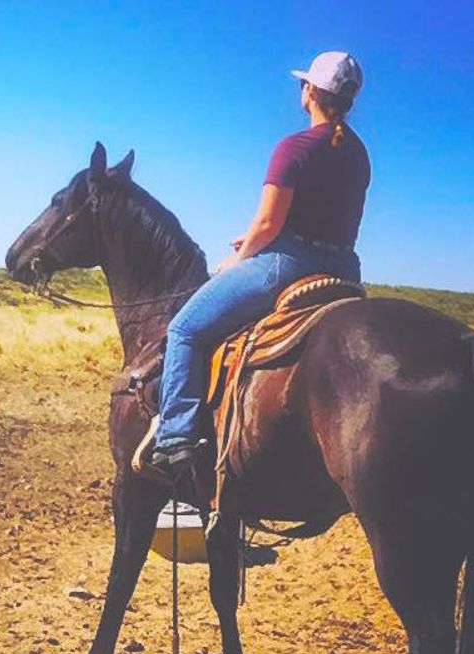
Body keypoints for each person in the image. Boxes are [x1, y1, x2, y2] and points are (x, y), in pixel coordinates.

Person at [150, 50, 371, 477]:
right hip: (343, 268)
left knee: (184, 329)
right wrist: (260, 236)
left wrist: (241, 254)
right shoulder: (359, 154)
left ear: (309, 92)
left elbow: (268, 223)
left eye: (303, 85)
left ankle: (175, 436)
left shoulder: (294, 147)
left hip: (288, 263)